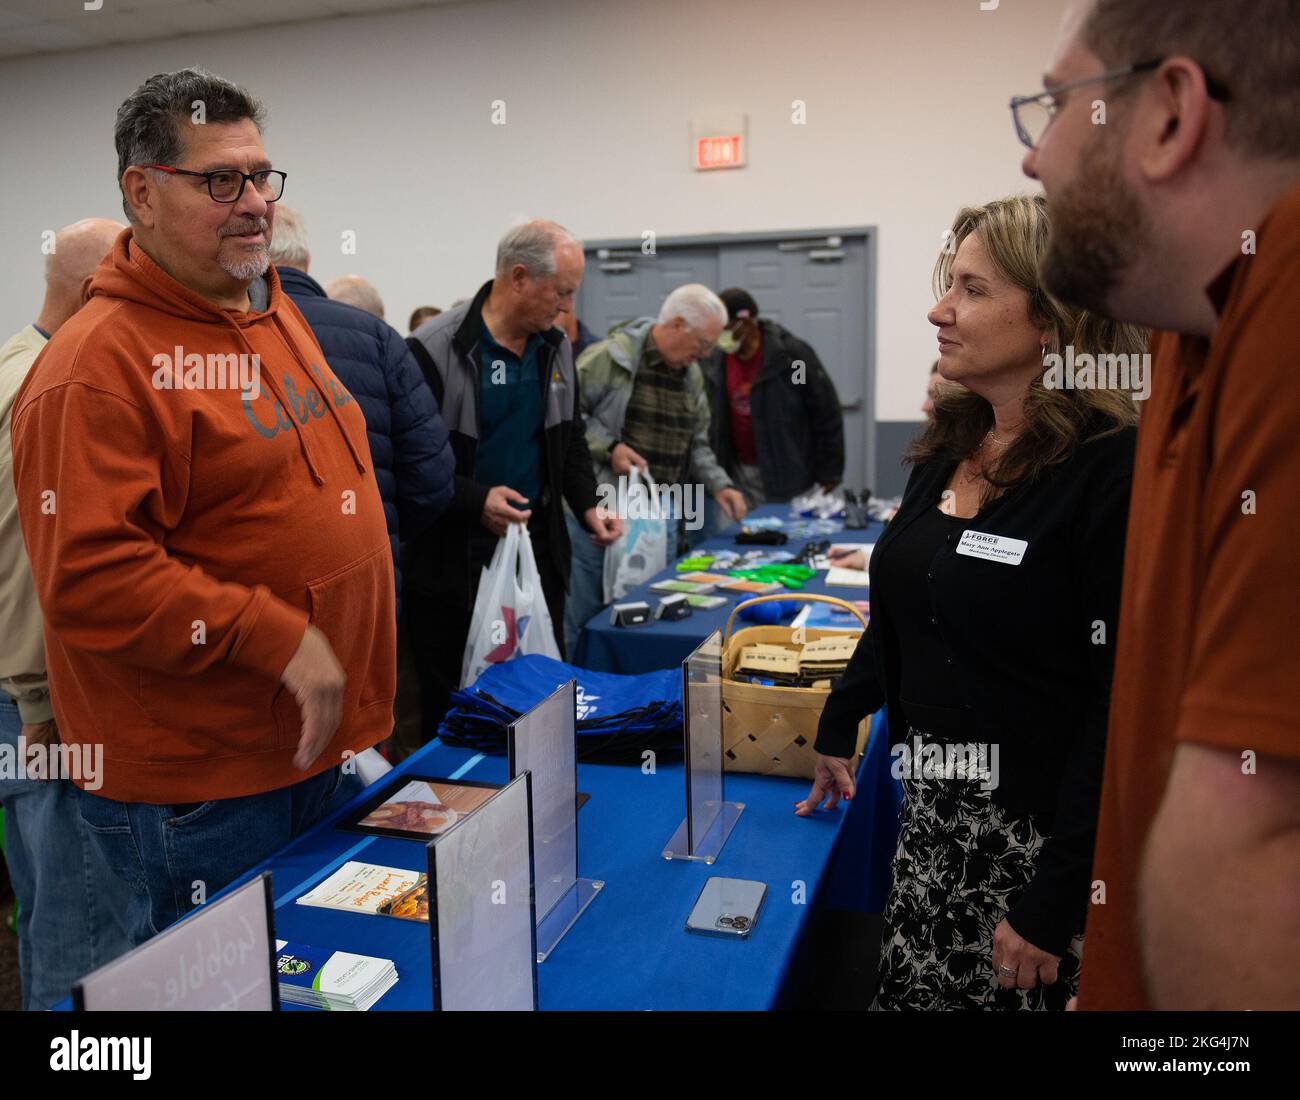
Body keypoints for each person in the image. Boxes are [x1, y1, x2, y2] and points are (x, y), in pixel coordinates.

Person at [10, 68, 395, 946]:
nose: (255, 202)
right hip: (200, 792)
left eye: (262, 176)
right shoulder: (91, 371)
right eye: (222, 181)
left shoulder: (267, 308)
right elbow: (90, 579)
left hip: (305, 752)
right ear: (141, 194)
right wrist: (278, 637)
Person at [798, 194, 1146, 1011]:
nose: (938, 310)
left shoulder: (1109, 467)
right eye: (949, 284)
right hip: (930, 825)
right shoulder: (955, 442)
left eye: (973, 290)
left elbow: (1118, 700)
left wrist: (1054, 898)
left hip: (1035, 853)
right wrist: (838, 719)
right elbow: (902, 606)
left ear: (1053, 321)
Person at [1021, 0, 1300, 1010]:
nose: (1033, 158)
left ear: (1171, 115)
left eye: (1055, 106)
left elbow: (1252, 847)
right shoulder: (1188, 324)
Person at [402, 219, 621, 737]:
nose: (568, 307)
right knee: (459, 708)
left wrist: (588, 503)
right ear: (519, 277)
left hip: (536, 552)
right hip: (454, 563)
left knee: (539, 696)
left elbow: (567, 439)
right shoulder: (431, 350)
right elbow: (411, 464)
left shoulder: (554, 347)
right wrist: (475, 500)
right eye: (562, 292)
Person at [0, 218, 133, 1010]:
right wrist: (42, 707)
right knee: (81, 922)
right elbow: (25, 566)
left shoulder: (19, 359)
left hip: (30, 697)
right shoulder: (47, 382)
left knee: (54, 896)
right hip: (46, 705)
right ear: (97, 289)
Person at [269, 205, 454, 762]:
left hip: (262, 612)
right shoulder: (375, 336)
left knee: (282, 752)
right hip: (371, 594)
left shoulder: (205, 343)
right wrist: (382, 535)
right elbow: (432, 479)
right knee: (373, 744)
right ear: (306, 259)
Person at [564, 284, 749, 656]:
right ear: (677, 324)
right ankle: (577, 696)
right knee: (587, 617)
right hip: (600, 509)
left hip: (655, 517)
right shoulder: (608, 359)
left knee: (641, 614)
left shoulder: (691, 374)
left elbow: (697, 442)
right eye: (702, 344)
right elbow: (566, 420)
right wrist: (611, 447)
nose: (707, 354)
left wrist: (720, 485)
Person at [702, 287, 845, 508]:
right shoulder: (718, 361)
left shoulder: (791, 358)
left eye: (726, 329)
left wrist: (831, 472)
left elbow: (823, 410)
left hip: (789, 471)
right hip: (740, 472)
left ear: (746, 323)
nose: (721, 338)